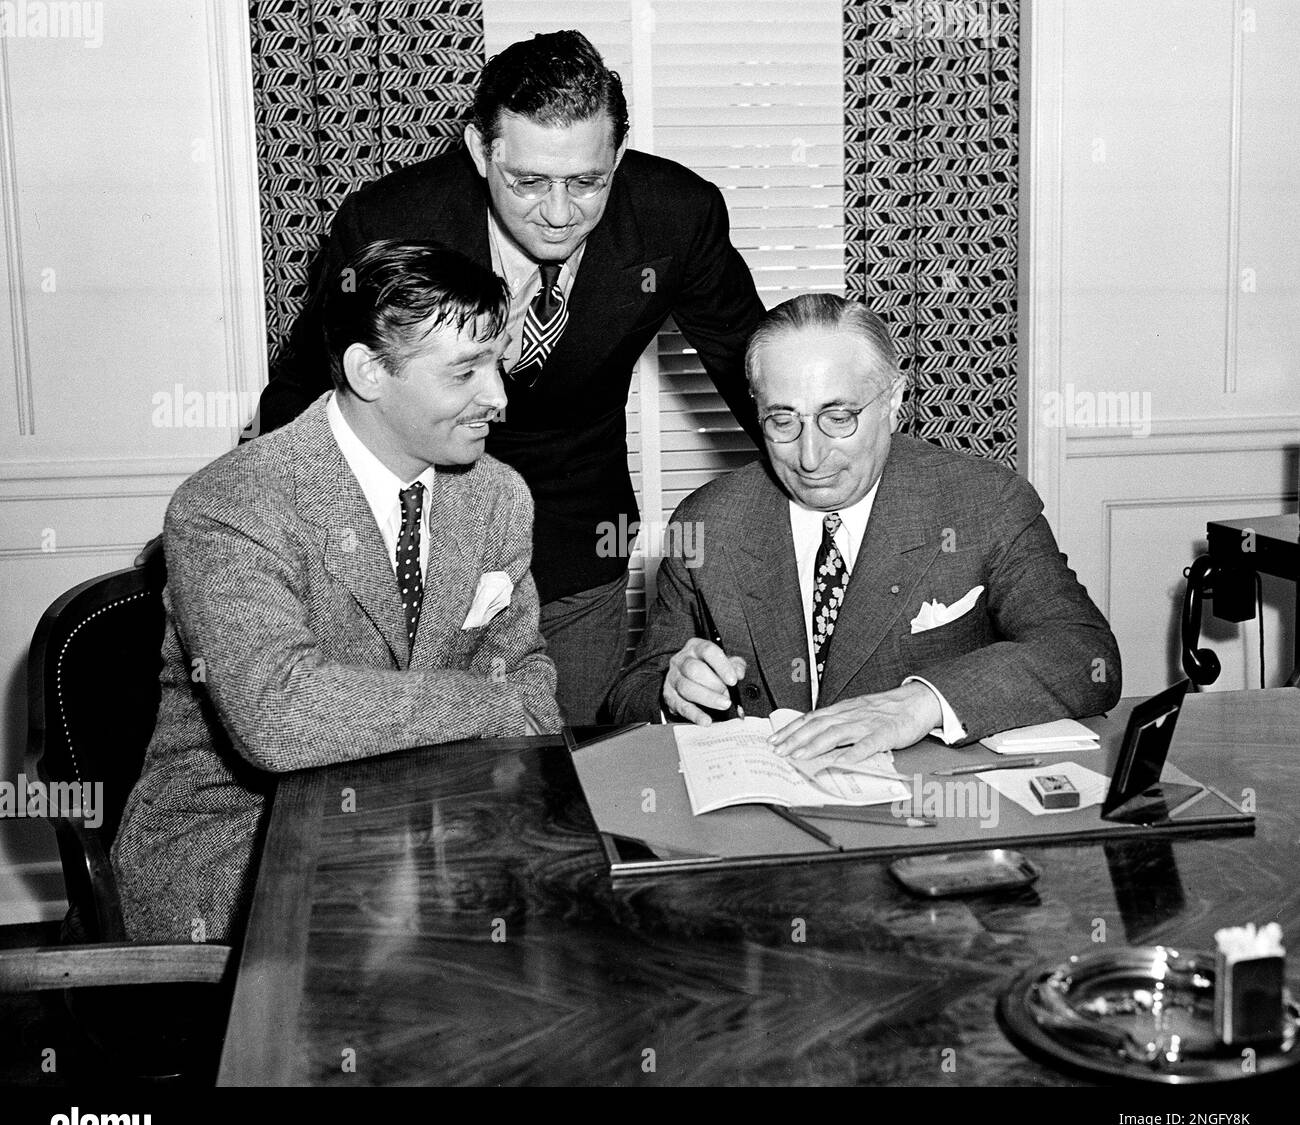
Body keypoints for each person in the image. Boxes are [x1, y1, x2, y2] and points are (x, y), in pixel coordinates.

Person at [250, 30, 766, 725]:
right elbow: (304, 391)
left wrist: (847, 490)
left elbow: (757, 376)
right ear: (478, 149)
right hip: (412, 555)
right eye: (527, 181)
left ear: (617, 155)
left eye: (587, 181)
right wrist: (262, 537)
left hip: (574, 553)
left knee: (567, 785)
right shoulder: (391, 222)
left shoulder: (675, 216)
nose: (558, 213)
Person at [112, 240, 560, 944]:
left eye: (497, 362)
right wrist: (490, 703)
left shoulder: (499, 496)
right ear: (368, 371)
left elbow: (529, 675)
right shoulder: (231, 504)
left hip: (426, 822)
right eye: (465, 371)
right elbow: (281, 715)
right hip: (240, 844)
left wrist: (507, 707)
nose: (498, 397)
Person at [607, 294, 1122, 758]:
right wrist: (671, 687)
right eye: (783, 421)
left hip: (933, 808)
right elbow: (631, 694)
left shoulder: (984, 502)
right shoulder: (708, 522)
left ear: (894, 400)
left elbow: (1085, 654)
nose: (810, 458)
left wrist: (923, 703)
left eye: (838, 417)